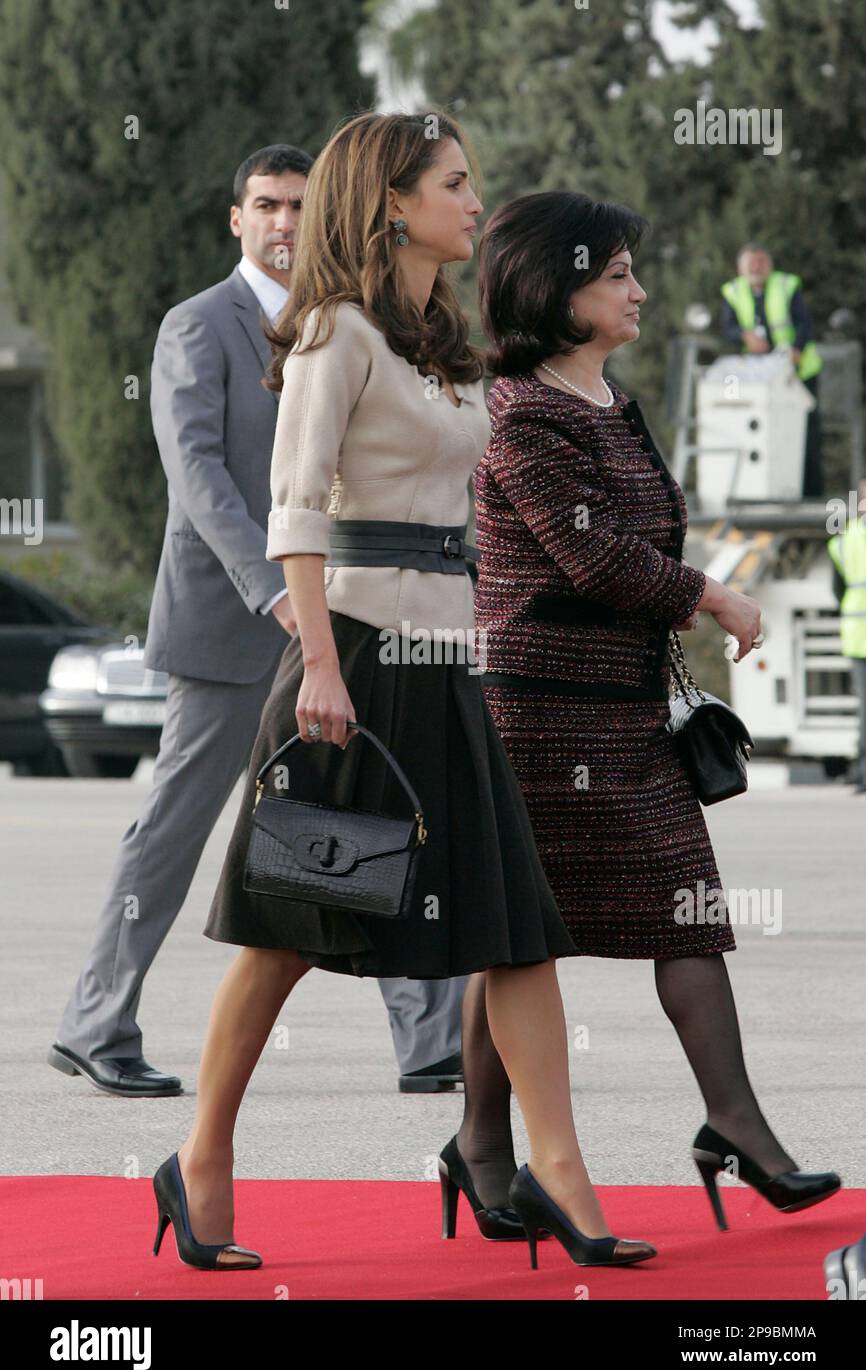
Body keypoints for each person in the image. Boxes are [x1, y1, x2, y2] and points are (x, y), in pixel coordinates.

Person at [151, 112, 658, 1273]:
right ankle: (203, 1160)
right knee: (285, 935)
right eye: (455, 183)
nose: (474, 202)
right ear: (391, 202)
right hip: (359, 667)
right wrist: (321, 663)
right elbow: (295, 507)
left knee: (515, 933)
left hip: (451, 665)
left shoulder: (437, 338)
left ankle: (561, 1174)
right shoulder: (331, 332)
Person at [48, 143, 465, 1100]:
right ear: (237, 219)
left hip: (343, 621)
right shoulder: (198, 327)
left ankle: (428, 1039)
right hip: (234, 627)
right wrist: (274, 590)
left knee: (363, 813)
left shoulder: (351, 325)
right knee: (174, 833)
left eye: (299, 206)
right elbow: (197, 481)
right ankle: (95, 1023)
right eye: (266, 205)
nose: (283, 222)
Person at [472, 191, 841, 1234]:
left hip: (623, 711)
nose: (638, 290)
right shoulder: (520, 412)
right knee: (516, 939)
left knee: (688, 908)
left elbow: (640, 533)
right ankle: (483, 1145)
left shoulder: (605, 400)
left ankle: (732, 1121)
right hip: (540, 718)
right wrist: (711, 595)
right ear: (557, 289)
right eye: (616, 275)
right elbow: (590, 555)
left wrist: (684, 593)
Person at [721, 243, 824, 496]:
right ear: (740, 268)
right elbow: (728, 328)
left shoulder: (787, 285)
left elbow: (803, 323)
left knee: (805, 433)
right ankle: (767, 491)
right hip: (760, 378)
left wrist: (797, 350)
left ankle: (810, 494)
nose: (756, 268)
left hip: (798, 374)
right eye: (750, 264)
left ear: (769, 265)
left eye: (760, 262)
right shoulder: (732, 291)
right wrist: (745, 337)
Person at [828, 479, 866, 794]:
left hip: (856, 632)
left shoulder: (844, 538)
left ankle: (863, 770)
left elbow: (836, 588)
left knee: (863, 707)